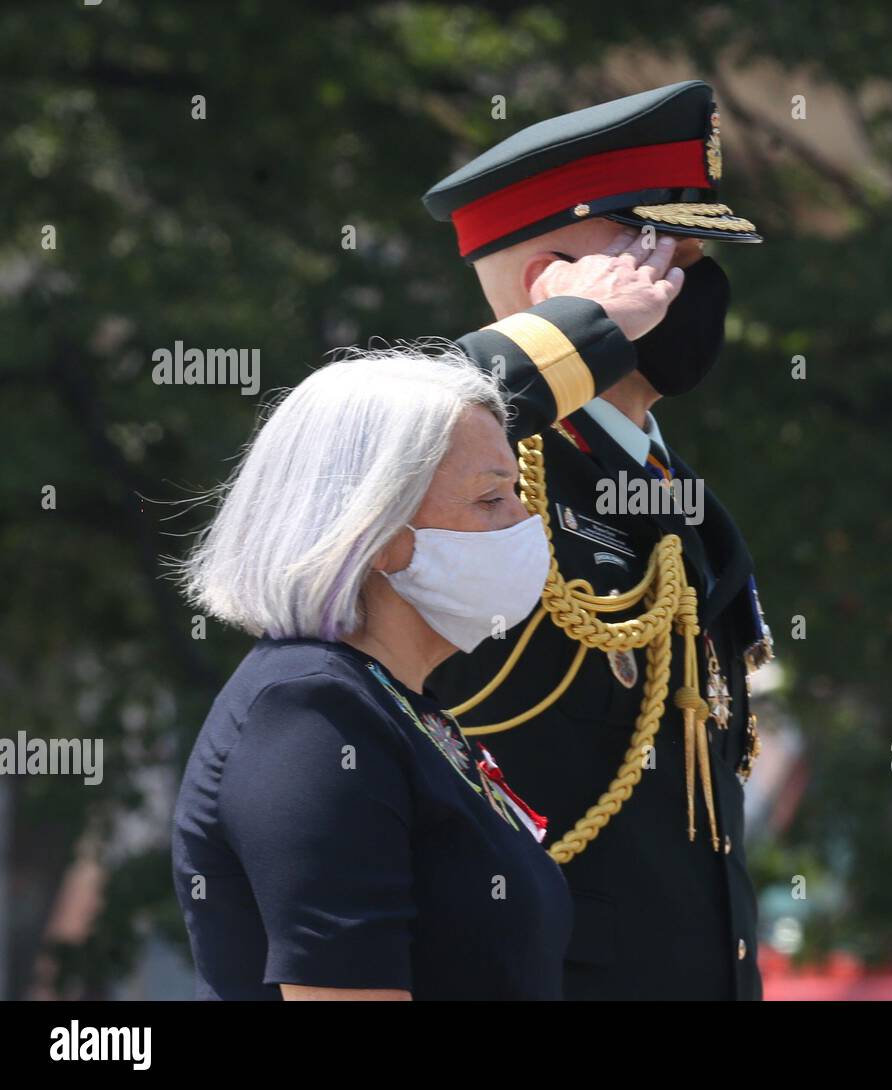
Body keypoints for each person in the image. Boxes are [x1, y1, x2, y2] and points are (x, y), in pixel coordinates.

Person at [169, 237, 683, 1000]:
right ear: (374, 537)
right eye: (490, 499)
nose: (524, 520)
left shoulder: (400, 704)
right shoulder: (311, 712)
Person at [422, 79, 775, 1000]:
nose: (697, 271)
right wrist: (563, 337)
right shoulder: (477, 483)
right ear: (553, 287)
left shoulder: (676, 495)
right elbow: (378, 447)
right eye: (662, 247)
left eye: (700, 245)